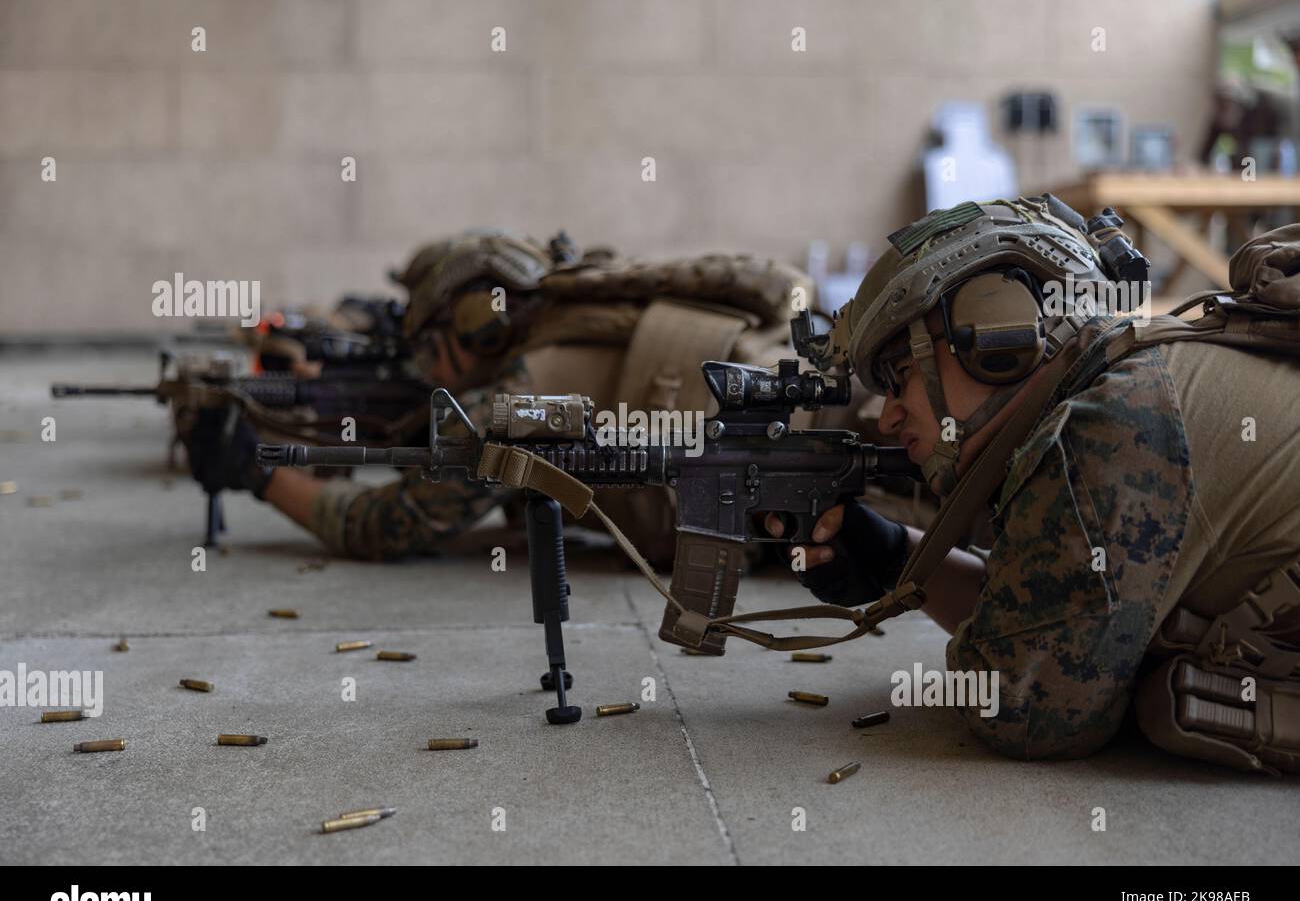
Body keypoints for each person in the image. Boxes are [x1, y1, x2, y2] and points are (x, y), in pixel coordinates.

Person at [767, 196, 1300, 773]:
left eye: (899, 379)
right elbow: (1048, 625)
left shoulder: (1112, 427)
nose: (890, 417)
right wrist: (897, 556)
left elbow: (1025, 710)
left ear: (996, 333)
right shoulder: (1136, 381)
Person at [187, 230, 854, 568]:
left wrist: (257, 470)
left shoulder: (515, 402)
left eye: (431, 344)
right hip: (841, 410)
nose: (423, 366)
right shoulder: (605, 314)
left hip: (836, 494)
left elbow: (385, 528)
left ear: (477, 320)